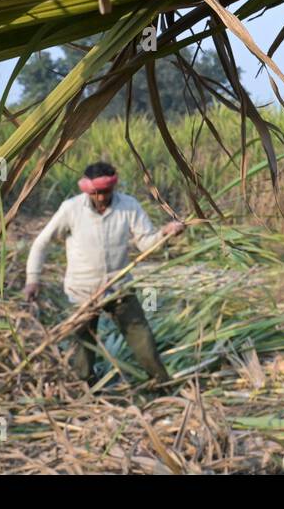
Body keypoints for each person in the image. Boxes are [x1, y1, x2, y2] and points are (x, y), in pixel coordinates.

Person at [24, 161, 184, 387]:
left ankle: (160, 382)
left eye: (105, 192)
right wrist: (33, 279)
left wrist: (165, 234)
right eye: (95, 193)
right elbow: (41, 243)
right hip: (82, 290)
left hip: (118, 286)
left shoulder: (129, 206)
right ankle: (86, 389)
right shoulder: (71, 209)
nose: (100, 198)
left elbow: (146, 243)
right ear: (87, 190)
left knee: (141, 336)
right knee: (83, 343)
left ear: (113, 187)